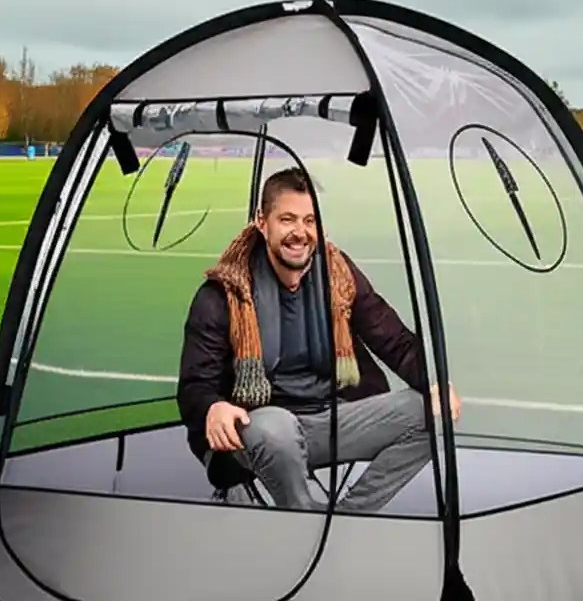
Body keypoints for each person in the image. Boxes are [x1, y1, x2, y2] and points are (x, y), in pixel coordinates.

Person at [177, 167, 461, 513]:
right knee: (275, 428)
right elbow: (194, 385)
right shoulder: (222, 294)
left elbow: (395, 340)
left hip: (329, 420)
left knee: (434, 414)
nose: (301, 232)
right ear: (261, 222)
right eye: (288, 219)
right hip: (259, 430)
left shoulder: (339, 276)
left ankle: (348, 516)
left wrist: (434, 382)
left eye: (310, 221)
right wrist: (212, 406)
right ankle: (305, 519)